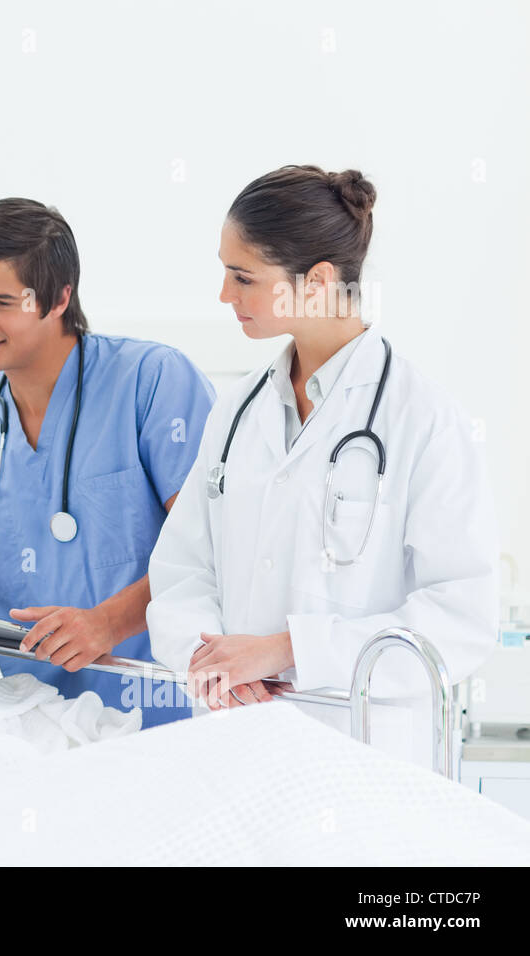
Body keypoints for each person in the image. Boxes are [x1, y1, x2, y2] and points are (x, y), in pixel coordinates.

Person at [146, 165, 497, 765]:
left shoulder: (423, 418)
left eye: (242, 277)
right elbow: (182, 571)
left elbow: (461, 615)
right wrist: (211, 657)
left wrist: (287, 649)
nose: (224, 296)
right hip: (234, 738)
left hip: (364, 752)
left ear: (317, 280)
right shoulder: (236, 410)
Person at [0, 198, 215, 728]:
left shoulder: (153, 382)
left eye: (2, 302)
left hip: (173, 714)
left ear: (58, 299)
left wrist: (106, 623)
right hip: (43, 727)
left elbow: (214, 547)